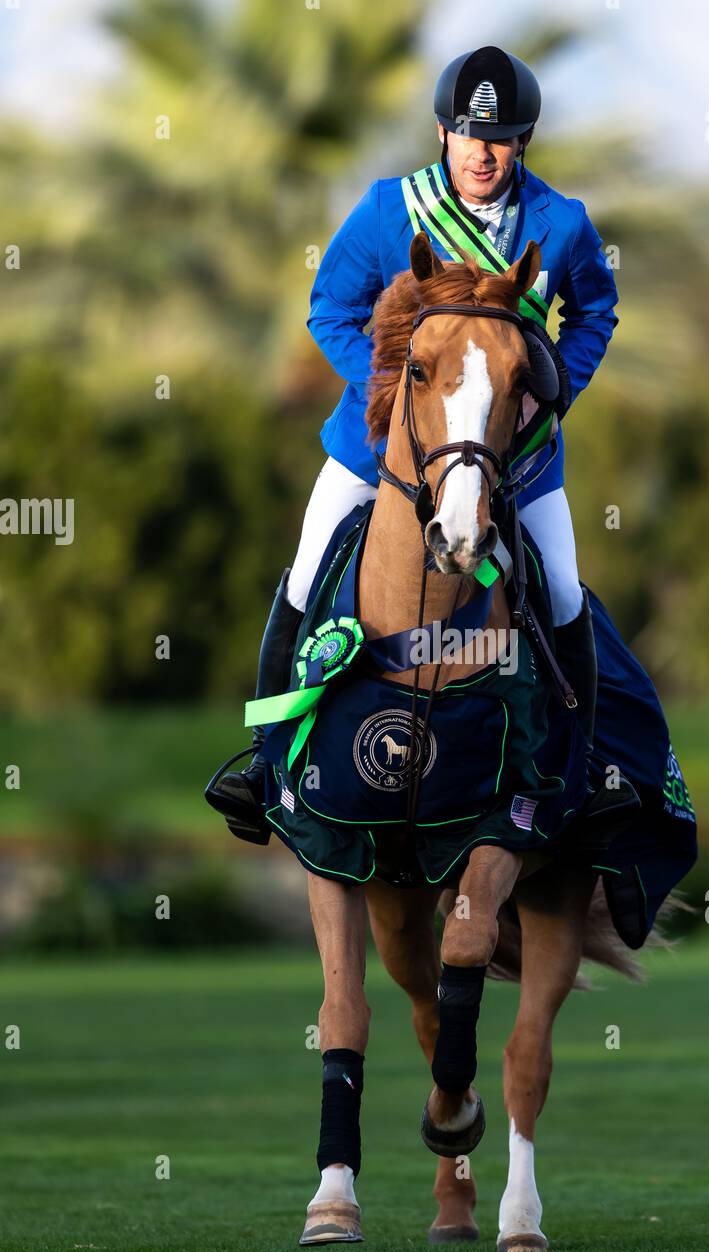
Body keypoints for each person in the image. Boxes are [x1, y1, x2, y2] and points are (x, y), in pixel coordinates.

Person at [206, 44, 619, 837]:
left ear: (523, 142)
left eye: (499, 139)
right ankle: (263, 764)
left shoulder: (561, 224)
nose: (481, 152)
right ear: (442, 132)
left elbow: (596, 312)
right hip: (379, 453)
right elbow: (328, 309)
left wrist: (551, 388)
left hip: (515, 462)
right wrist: (394, 393)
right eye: (468, 135)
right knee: (303, 575)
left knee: (564, 590)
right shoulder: (391, 208)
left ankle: (581, 774)